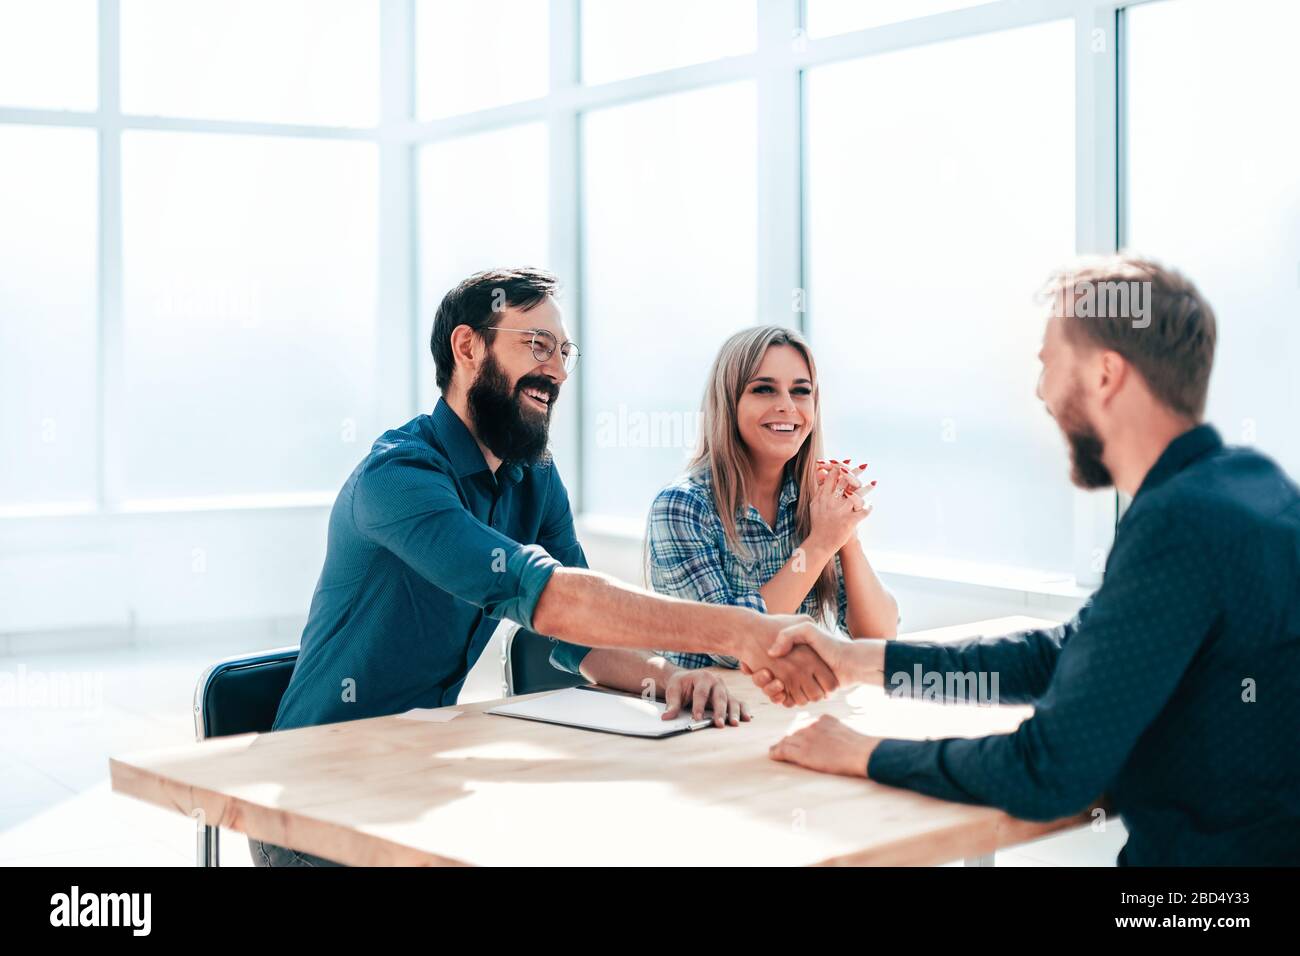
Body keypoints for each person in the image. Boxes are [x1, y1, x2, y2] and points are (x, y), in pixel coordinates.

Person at [256, 268, 837, 866]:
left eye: (563, 352)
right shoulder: (398, 479)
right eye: (535, 345)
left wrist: (667, 676)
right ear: (467, 347)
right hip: (315, 806)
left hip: (417, 769)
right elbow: (555, 598)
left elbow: (578, 632)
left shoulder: (534, 475)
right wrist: (740, 629)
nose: (557, 369)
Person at [758, 254, 1300, 866]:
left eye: (1049, 365)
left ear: (1104, 375)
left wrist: (860, 751)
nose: (1042, 392)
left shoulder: (1179, 524)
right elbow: (1065, 657)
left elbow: (1048, 770)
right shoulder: (1252, 487)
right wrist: (859, 661)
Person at [646, 325, 898, 673]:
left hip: (783, 710)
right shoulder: (683, 506)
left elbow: (879, 637)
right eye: (764, 389)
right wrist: (822, 542)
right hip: (707, 717)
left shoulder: (812, 503)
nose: (786, 406)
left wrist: (846, 533)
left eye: (801, 391)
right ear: (729, 402)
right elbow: (732, 648)